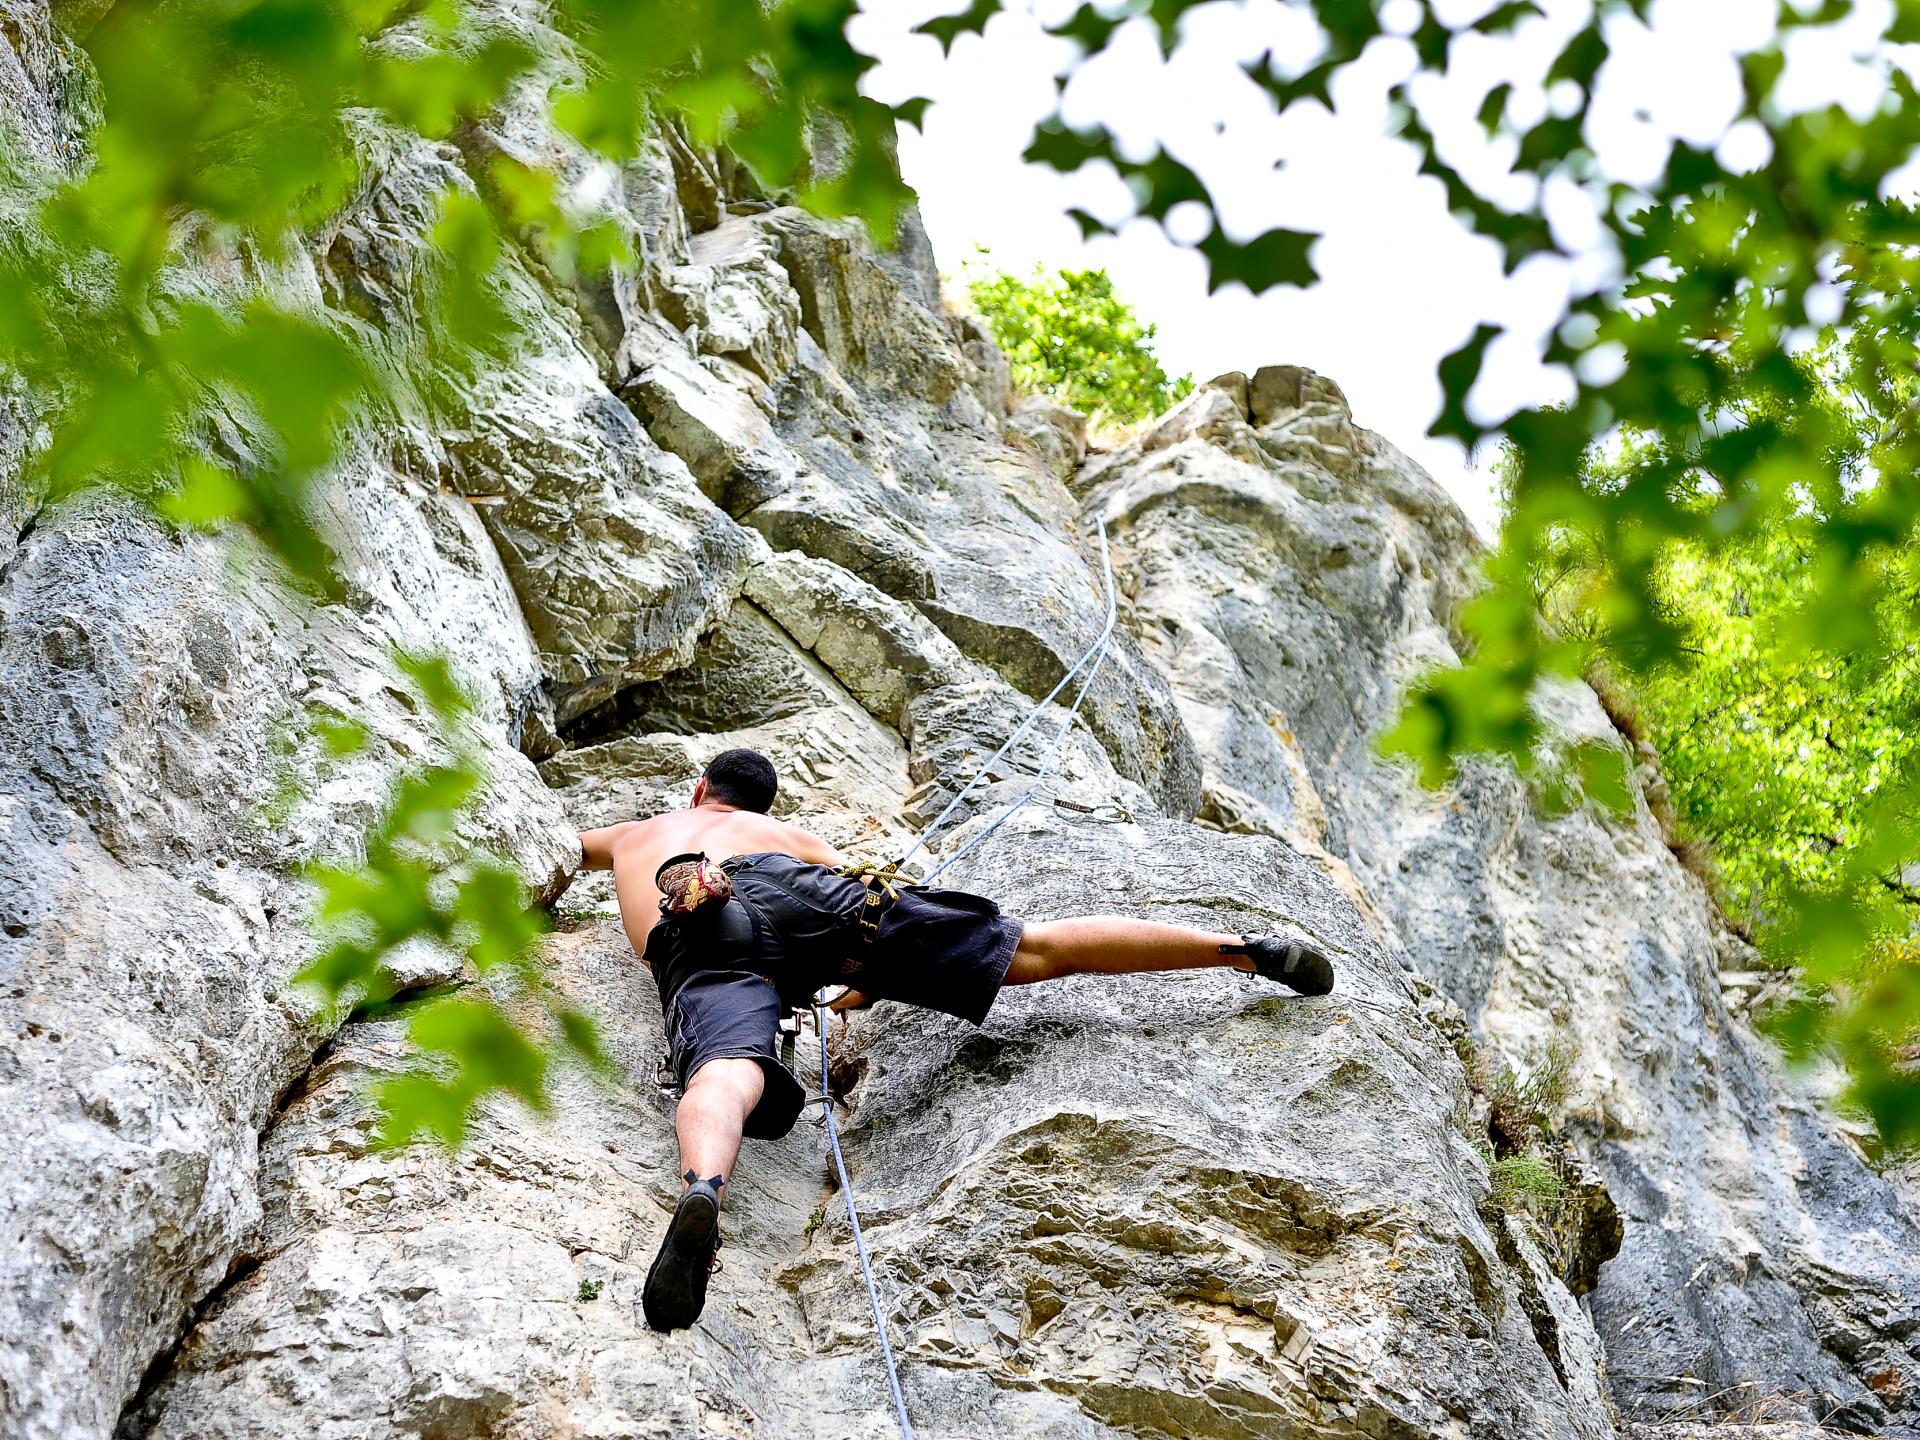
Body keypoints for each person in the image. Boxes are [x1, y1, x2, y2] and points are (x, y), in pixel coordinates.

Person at [577, 747, 1335, 1332]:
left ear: (701, 792)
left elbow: (561, 849)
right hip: (798, 886)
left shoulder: (642, 833)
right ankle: (1242, 948)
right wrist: (867, 974)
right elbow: (856, 900)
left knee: (725, 1068)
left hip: (700, 922)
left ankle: (704, 1189)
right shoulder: (784, 832)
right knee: (1036, 949)